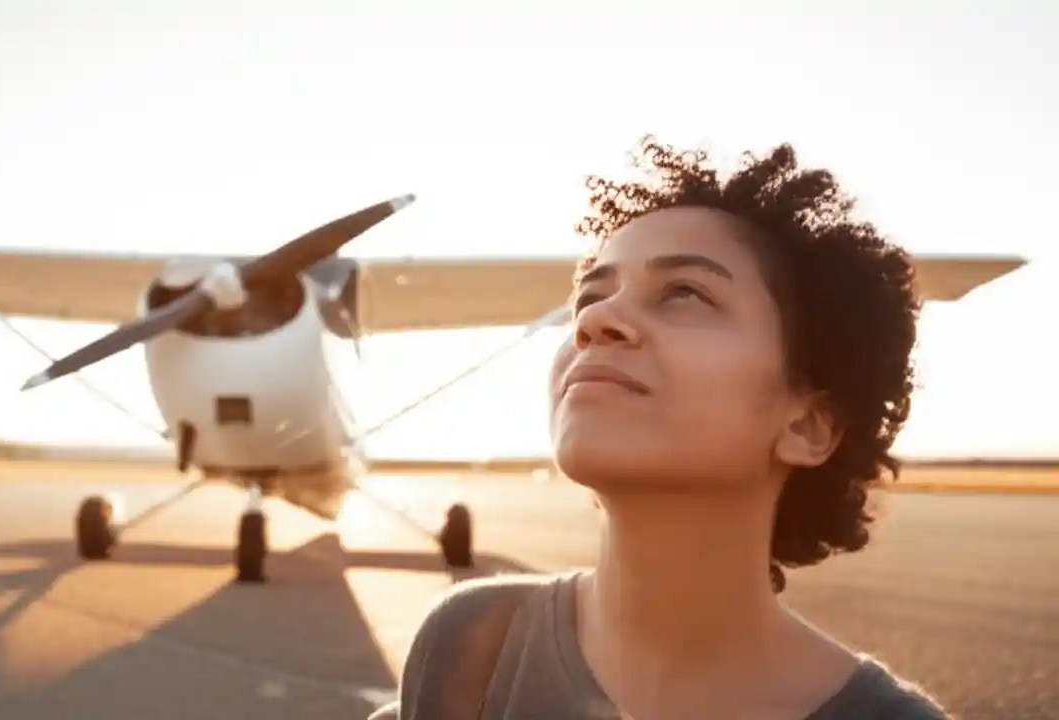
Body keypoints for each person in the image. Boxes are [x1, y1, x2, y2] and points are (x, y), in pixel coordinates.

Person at [369, 138, 949, 719]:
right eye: (589, 299)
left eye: (684, 293)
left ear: (807, 425)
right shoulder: (472, 644)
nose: (595, 320)